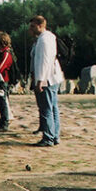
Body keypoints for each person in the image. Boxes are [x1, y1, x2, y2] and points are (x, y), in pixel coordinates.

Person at [29, 15, 64, 147]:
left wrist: (40, 81)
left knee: (46, 109)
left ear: (40, 25)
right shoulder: (49, 37)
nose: (30, 29)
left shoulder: (44, 40)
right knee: (53, 107)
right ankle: (55, 136)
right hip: (53, 77)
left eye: (32, 26)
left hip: (47, 79)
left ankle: (48, 137)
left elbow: (44, 62)